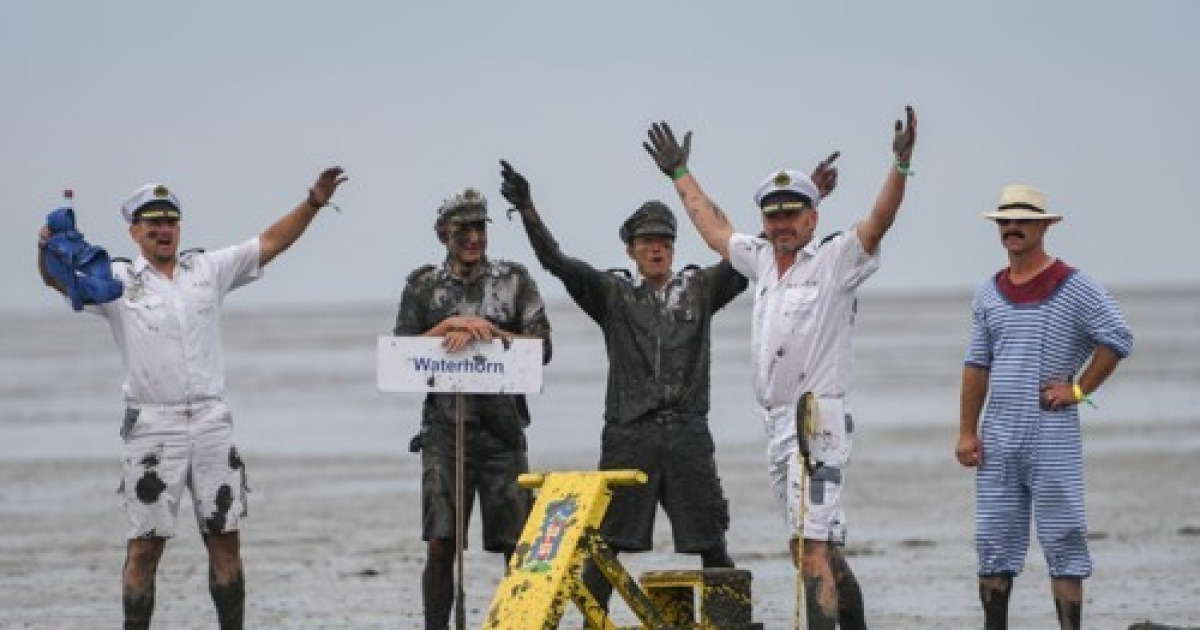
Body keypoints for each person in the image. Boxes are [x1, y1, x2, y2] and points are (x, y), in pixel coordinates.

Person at [498, 158, 834, 614]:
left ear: (673, 247)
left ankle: (729, 625)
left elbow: (759, 250)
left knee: (711, 543)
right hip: (628, 436)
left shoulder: (701, 287)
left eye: (663, 242)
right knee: (606, 546)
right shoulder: (611, 294)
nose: (656, 249)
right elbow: (558, 263)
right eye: (646, 243)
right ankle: (590, 626)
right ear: (631, 250)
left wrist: (810, 193)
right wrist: (529, 209)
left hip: (688, 435)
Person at [36, 168, 348, 630]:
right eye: (152, 223)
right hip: (152, 426)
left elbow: (270, 243)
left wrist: (314, 203)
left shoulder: (206, 270)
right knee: (145, 544)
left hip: (210, 421)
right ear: (134, 231)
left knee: (225, 537)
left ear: (178, 227)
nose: (163, 230)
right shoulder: (116, 280)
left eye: (170, 222)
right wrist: (46, 247)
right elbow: (57, 281)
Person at [642, 107, 917, 629]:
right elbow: (716, 230)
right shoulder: (763, 259)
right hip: (775, 423)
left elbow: (879, 222)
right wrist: (680, 174)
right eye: (773, 216)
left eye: (792, 215)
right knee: (813, 548)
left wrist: (899, 167)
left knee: (812, 552)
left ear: (811, 220)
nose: (781, 225)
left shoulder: (835, 259)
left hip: (818, 422)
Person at [956, 184, 1133, 630]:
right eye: (1005, 221)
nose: (1012, 229)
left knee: (1064, 538)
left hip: (1052, 434)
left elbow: (1118, 337)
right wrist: (966, 431)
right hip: (998, 435)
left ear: (1043, 226)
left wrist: (1078, 391)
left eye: (1022, 221)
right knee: (993, 542)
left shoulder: (1073, 285)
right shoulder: (989, 292)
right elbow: (976, 365)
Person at [393, 186, 552, 630]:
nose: (473, 237)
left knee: (516, 544)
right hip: (444, 432)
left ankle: (519, 624)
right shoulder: (422, 285)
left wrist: (492, 333)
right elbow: (399, 355)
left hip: (503, 431)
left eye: (479, 227)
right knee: (441, 542)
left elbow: (543, 348)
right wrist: (447, 325)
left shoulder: (514, 280)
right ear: (443, 232)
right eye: (462, 229)